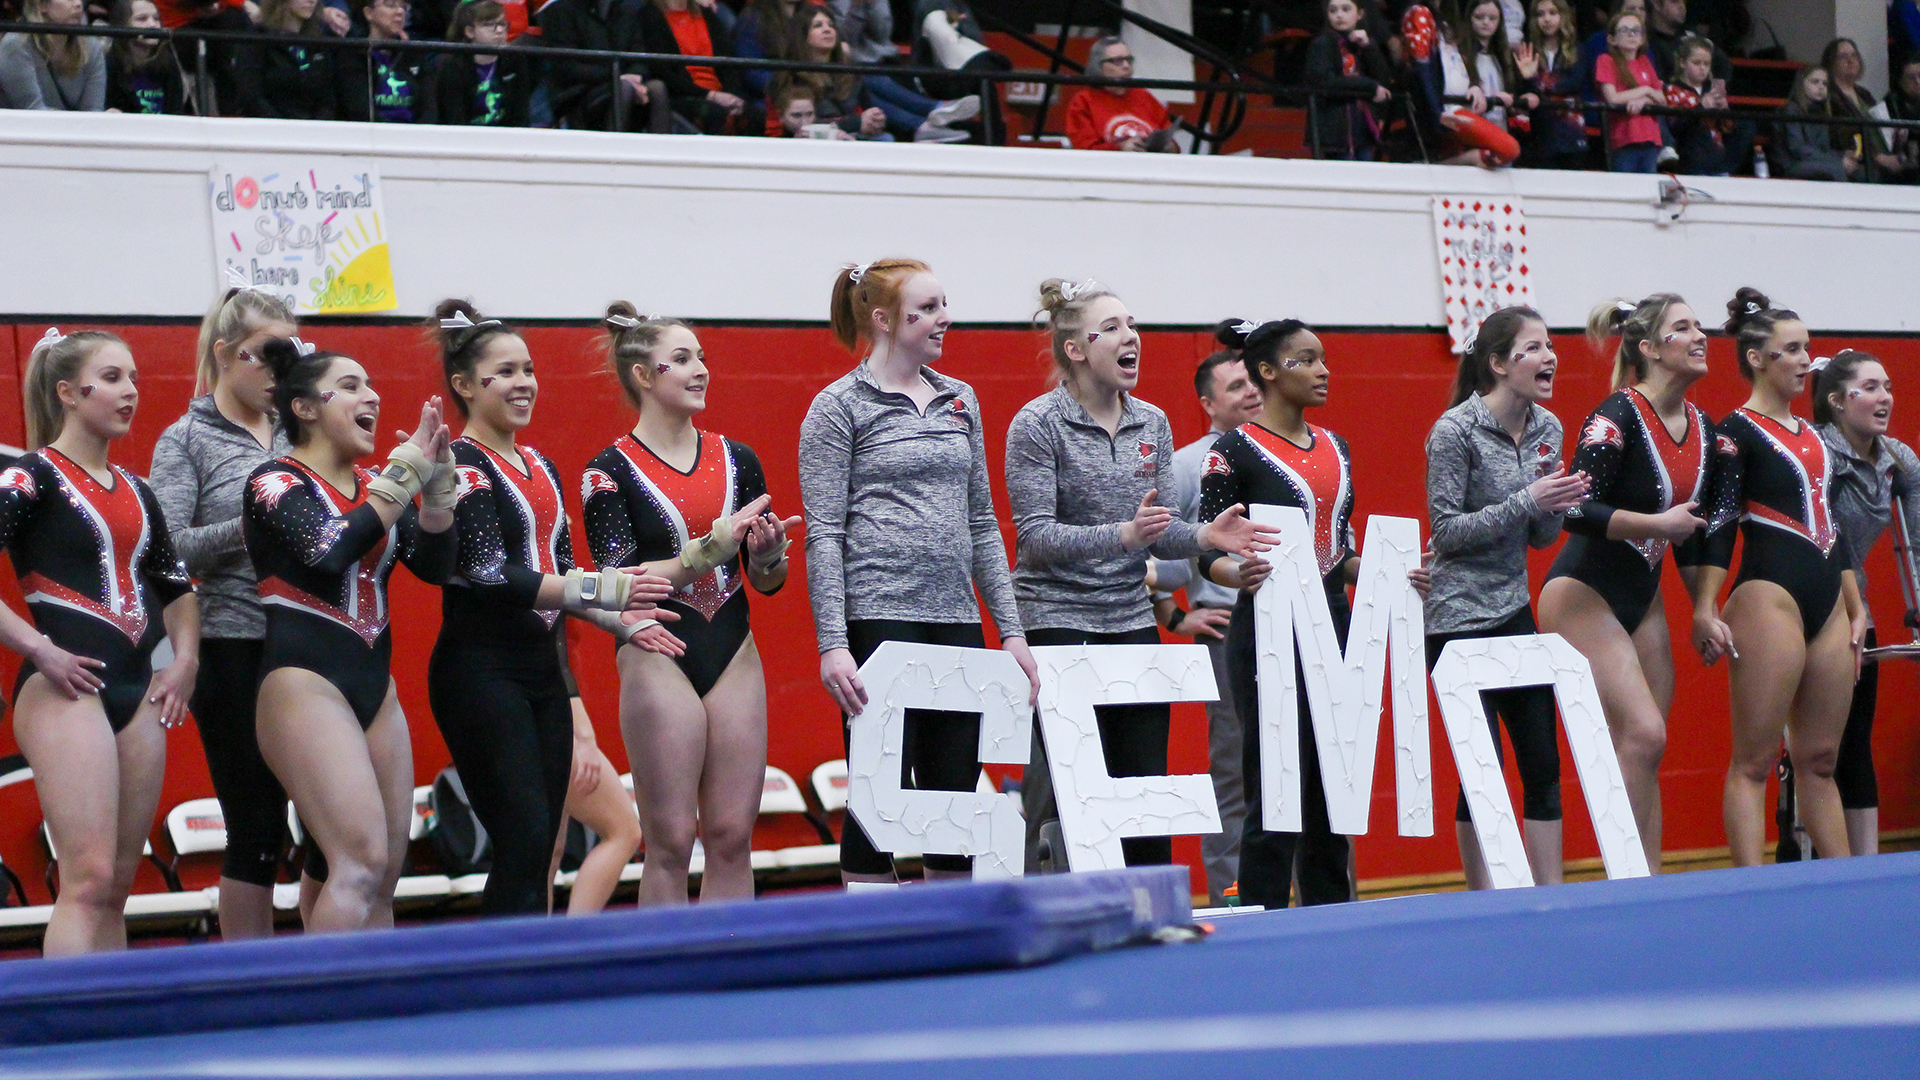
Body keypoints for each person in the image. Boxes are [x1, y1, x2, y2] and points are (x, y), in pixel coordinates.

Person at [1005, 281, 1278, 873]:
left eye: (1133, 324)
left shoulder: (1151, 422)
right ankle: (1051, 908)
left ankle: (1149, 916)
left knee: (1143, 792)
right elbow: (1035, 539)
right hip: (1057, 626)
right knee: (1065, 788)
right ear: (1076, 349)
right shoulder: (1036, 425)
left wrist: (1203, 536)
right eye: (1112, 328)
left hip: (1129, 620)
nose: (1131, 337)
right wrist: (1123, 537)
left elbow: (1158, 529)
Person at [429, 300, 675, 916]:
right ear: (463, 385)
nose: (523, 384)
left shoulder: (538, 464)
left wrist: (623, 621)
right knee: (522, 838)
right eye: (505, 372)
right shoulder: (458, 465)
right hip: (480, 670)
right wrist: (606, 591)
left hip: (539, 671)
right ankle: (498, 981)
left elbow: (560, 575)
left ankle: (532, 973)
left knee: (546, 844)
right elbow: (490, 574)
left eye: (529, 370)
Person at [799, 258, 1039, 885]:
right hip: (878, 624)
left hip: (957, 623)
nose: (944, 319)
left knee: (952, 800)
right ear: (883, 320)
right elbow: (823, 536)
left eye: (943, 304)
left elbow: (984, 524)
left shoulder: (961, 399)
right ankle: (869, 944)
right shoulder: (837, 407)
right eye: (927, 309)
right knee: (876, 803)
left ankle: (951, 943)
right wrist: (832, 643)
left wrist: (1009, 631)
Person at [1200, 319, 1426, 909]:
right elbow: (1210, 557)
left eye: (1324, 359)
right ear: (1268, 373)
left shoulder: (1337, 448)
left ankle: (1333, 916)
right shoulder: (1231, 453)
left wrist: (1391, 572)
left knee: (1335, 789)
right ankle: (1266, 918)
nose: (1324, 371)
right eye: (1306, 361)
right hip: (1270, 631)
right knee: (1276, 788)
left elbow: (1338, 549)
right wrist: (1238, 571)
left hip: (1336, 624)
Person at [584, 303, 799, 904]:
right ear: (643, 377)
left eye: (700, 356)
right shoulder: (607, 472)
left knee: (732, 835)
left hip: (732, 649)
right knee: (672, 839)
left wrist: (765, 557)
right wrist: (710, 548)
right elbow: (619, 580)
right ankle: (666, 983)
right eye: (680, 359)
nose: (699, 369)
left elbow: (767, 582)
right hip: (657, 651)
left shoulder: (740, 459)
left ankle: (732, 979)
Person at [243, 339, 456, 933]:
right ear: (305, 408)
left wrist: (436, 492)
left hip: (373, 690)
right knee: (357, 864)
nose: (373, 396)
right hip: (304, 686)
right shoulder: (274, 480)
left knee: (384, 873)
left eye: (372, 385)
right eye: (353, 386)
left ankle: (377, 1016)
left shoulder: (371, 486)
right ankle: (324, 1018)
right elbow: (329, 548)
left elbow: (437, 569)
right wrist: (404, 475)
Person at [0, 330, 198, 957]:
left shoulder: (140, 492)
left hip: (135, 690)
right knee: (85, 880)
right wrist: (38, 648)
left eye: (134, 378)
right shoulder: (31, 477)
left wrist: (186, 660)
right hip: (65, 685)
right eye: (112, 378)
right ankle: (65, 1037)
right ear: (67, 392)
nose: (131, 392)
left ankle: (111, 1033)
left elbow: (178, 587)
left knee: (115, 887)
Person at [1688, 289, 1864, 867]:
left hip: (1828, 600)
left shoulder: (1816, 435)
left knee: (1819, 759)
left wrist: (1855, 604)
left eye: (1807, 348)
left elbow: (1831, 522)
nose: (1804, 360)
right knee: (1754, 761)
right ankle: (1749, 889)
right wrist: (1706, 607)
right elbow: (1716, 525)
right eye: (1791, 350)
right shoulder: (1733, 432)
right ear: (1757, 358)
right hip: (1769, 596)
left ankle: (1845, 884)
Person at [1540, 294, 1714, 872]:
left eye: (1699, 326)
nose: (1699, 336)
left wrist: (1705, 609)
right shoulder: (1616, 415)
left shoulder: (1702, 427)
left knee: (1646, 746)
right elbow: (1574, 510)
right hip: (1582, 592)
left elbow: (1696, 532)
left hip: (1643, 596)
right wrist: (1656, 524)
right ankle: (1627, 882)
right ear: (1649, 349)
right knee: (1643, 733)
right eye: (1682, 328)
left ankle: (1647, 880)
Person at [150, 285, 300, 941]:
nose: (276, 371)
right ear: (223, 354)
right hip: (231, 645)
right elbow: (167, 550)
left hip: (308, 640)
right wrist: (253, 524)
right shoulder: (186, 439)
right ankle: (252, 980)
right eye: (264, 356)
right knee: (258, 826)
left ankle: (332, 980)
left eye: (289, 355)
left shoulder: (299, 426)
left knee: (331, 823)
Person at [1424, 307, 1588, 889]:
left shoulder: (1549, 429)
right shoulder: (1455, 431)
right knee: (1481, 768)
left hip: (1514, 607)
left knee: (1543, 762)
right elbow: (1446, 532)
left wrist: (1556, 506)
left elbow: (1539, 538)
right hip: (1456, 617)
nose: (1551, 357)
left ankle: (1549, 894)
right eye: (1534, 348)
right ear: (1497, 364)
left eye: (1551, 346)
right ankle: (1483, 896)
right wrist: (1528, 499)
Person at [1148, 344, 1262, 905]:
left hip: (1301, 625)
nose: (1251, 392)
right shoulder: (1189, 465)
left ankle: (1317, 896)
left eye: (1253, 381)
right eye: (1235, 386)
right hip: (1229, 631)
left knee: (1310, 762)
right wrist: (1176, 615)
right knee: (1235, 769)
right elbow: (1155, 564)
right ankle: (1231, 894)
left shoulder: (1295, 453)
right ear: (1207, 404)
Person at [1799, 350, 1918, 858]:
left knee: (1855, 740)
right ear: (1837, 400)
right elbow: (1825, 536)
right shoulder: (1812, 452)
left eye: (1887, 386)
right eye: (1869, 387)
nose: (1884, 397)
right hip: (1802, 603)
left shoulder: (1898, 459)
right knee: (1815, 748)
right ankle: (1811, 861)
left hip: (1855, 606)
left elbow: (1917, 541)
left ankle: (1867, 868)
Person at [546, 654, 642, 915]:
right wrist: (583, 734)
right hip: (551, 712)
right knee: (623, 831)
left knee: (547, 851)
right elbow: (552, 647)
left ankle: (530, 946)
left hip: (532, 707)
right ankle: (573, 941)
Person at [537, 0, 669, 131]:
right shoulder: (560, 10)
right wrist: (616, 77)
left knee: (656, 88)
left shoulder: (627, 9)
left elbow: (639, 57)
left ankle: (661, 149)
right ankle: (612, 148)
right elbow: (566, 67)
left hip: (621, 83)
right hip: (580, 93)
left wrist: (633, 77)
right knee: (624, 88)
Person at [768, 7, 889, 140]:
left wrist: (873, 119)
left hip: (851, 135)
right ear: (803, 35)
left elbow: (863, 110)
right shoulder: (791, 75)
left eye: (831, 25)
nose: (827, 29)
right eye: (818, 26)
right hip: (810, 140)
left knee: (886, 138)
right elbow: (803, 124)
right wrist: (856, 123)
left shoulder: (849, 71)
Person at [639, 0, 748, 135]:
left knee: (753, 116)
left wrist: (734, 96)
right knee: (713, 113)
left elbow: (729, 64)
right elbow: (663, 72)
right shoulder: (650, 15)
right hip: (683, 94)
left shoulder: (707, 14)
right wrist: (710, 95)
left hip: (720, 93)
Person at [1067, 36, 1180, 153]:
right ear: (1098, 66)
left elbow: (1170, 139)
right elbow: (1084, 151)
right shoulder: (1083, 100)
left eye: (1129, 60)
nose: (1126, 66)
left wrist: (1171, 147)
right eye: (1118, 61)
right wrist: (1120, 148)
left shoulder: (1144, 96)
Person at [430, 0, 529, 126]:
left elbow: (521, 115)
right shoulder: (453, 66)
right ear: (470, 32)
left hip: (505, 140)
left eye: (502, 24)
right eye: (489, 24)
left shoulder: (514, 61)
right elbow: (454, 118)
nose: (499, 30)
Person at [232, 0, 336, 121]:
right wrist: (284, 128)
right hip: (268, 130)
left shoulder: (319, 42)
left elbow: (327, 98)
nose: (312, 1)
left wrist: (315, 127)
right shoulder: (257, 39)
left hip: (313, 132)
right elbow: (251, 97)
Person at [1822, 38, 1907, 184]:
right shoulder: (1829, 95)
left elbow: (1880, 127)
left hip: (1883, 157)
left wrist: (1897, 136)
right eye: (1843, 56)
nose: (1850, 60)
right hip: (1861, 162)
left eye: (1854, 55)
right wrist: (1877, 158)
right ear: (1831, 62)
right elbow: (1840, 135)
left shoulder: (1864, 94)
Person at [336, 0, 434, 123]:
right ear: (369, 13)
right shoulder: (354, 54)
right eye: (390, 5)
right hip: (373, 136)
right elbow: (358, 109)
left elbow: (429, 109)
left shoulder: (415, 55)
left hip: (413, 137)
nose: (400, 11)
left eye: (403, 7)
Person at [1515, 0, 1586, 168]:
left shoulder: (1577, 49)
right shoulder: (1528, 51)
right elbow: (1526, 92)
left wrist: (1539, 83)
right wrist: (1527, 78)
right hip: (1541, 134)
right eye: (1540, 14)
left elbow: (1574, 83)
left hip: (1572, 135)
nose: (1546, 19)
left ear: (1563, 16)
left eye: (1553, 13)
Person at [0, 0, 106, 111]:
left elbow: (94, 112)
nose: (78, 4)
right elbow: (32, 111)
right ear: (42, 5)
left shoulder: (91, 46)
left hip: (75, 126)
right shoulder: (16, 45)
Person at [1594, 9, 1663, 172]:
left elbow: (1661, 98)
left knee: (1648, 190)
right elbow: (1613, 98)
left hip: (1650, 137)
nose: (1631, 34)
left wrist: (1644, 100)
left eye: (1636, 30)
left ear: (1642, 38)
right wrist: (1646, 90)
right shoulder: (1606, 61)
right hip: (1624, 137)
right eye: (1624, 30)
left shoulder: (1645, 61)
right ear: (1612, 39)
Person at [1662, 34, 1737, 175]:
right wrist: (1701, 108)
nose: (1702, 68)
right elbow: (1675, 128)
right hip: (1691, 160)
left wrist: (1724, 110)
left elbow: (1728, 129)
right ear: (1683, 62)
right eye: (1697, 63)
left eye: (1706, 64)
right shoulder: (1673, 90)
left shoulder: (1712, 89)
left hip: (1717, 159)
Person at [105, 0, 195, 114]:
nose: (153, 24)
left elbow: (174, 111)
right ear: (122, 23)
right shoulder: (111, 64)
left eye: (156, 19)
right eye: (142, 19)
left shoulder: (169, 63)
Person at [1777, 66, 1851, 182]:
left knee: (1862, 171)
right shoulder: (1791, 110)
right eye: (1815, 82)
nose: (1821, 87)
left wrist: (1843, 156)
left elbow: (1823, 149)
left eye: (1825, 83)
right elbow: (1797, 148)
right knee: (1836, 169)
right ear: (1801, 84)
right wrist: (1838, 160)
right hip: (1792, 164)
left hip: (1814, 161)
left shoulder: (1821, 113)